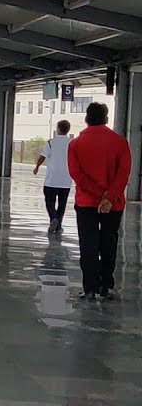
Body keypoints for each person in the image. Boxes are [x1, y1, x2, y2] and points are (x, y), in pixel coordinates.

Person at [67, 103, 131, 300]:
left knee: (88, 245)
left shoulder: (76, 144)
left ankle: (89, 288)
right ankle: (106, 287)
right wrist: (109, 197)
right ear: (106, 118)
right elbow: (123, 173)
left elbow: (77, 174)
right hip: (113, 204)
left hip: (86, 203)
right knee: (109, 243)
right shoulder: (120, 142)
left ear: (87, 118)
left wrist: (98, 195)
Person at [34, 120, 73, 233]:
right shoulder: (72, 143)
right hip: (66, 180)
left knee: (49, 201)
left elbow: (43, 156)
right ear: (68, 130)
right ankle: (59, 225)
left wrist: (37, 167)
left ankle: (53, 218)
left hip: (51, 179)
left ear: (58, 129)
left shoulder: (51, 142)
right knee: (62, 203)